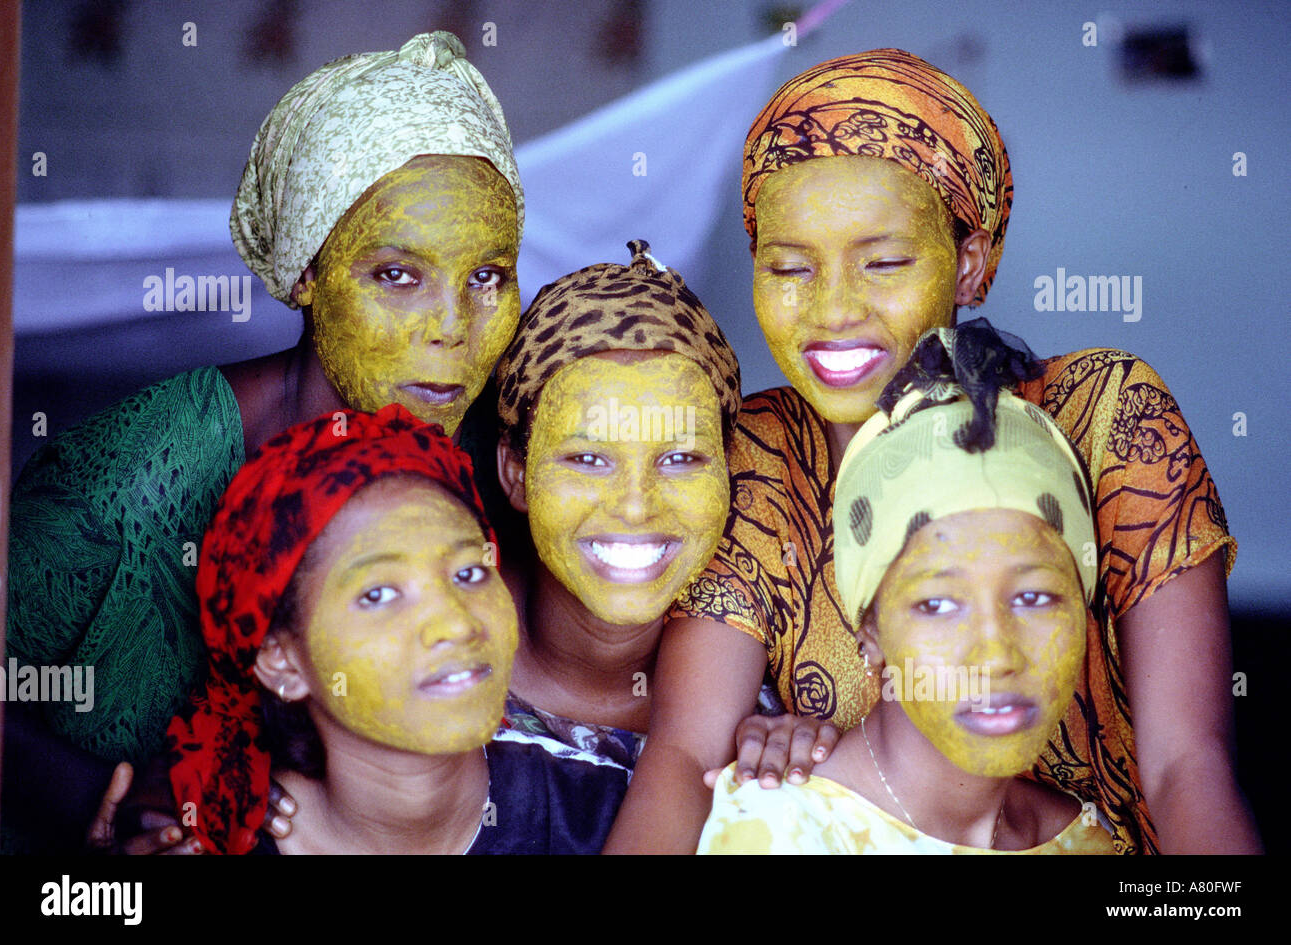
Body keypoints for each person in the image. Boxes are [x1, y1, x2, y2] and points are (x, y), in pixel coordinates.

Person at [608, 49, 1258, 854]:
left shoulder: (1102, 417)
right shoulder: (759, 456)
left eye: (883, 262)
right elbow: (685, 755)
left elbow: (1183, 763)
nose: (833, 309)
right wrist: (789, 752)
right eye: (788, 267)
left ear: (972, 263)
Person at [4, 32, 524, 852]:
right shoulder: (146, 472)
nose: (454, 329)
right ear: (305, 273)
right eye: (397, 274)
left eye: (489, 276)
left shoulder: (502, 454)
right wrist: (95, 803)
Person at [700, 327, 1115, 854]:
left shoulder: (1089, 839)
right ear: (868, 630)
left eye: (1033, 597)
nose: (994, 654)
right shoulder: (779, 829)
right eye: (937, 604)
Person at [164, 405, 628, 854]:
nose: (456, 622)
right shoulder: (208, 841)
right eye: (379, 594)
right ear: (281, 661)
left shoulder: (612, 819)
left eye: (469, 574)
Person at [492, 240, 743, 767]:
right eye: (587, 459)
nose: (635, 508)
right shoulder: (434, 657)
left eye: (679, 458)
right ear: (516, 473)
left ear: (729, 468)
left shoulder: (770, 684)